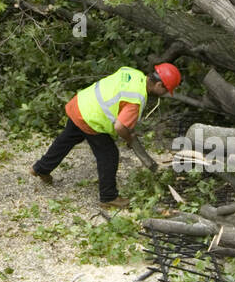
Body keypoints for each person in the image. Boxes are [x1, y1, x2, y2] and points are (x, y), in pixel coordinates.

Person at [30, 63, 182, 209]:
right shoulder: (136, 98)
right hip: (91, 118)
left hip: (81, 103)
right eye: (167, 90)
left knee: (66, 139)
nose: (166, 94)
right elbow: (120, 127)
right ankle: (109, 197)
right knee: (109, 155)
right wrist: (129, 138)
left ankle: (41, 168)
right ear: (159, 85)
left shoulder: (133, 73)